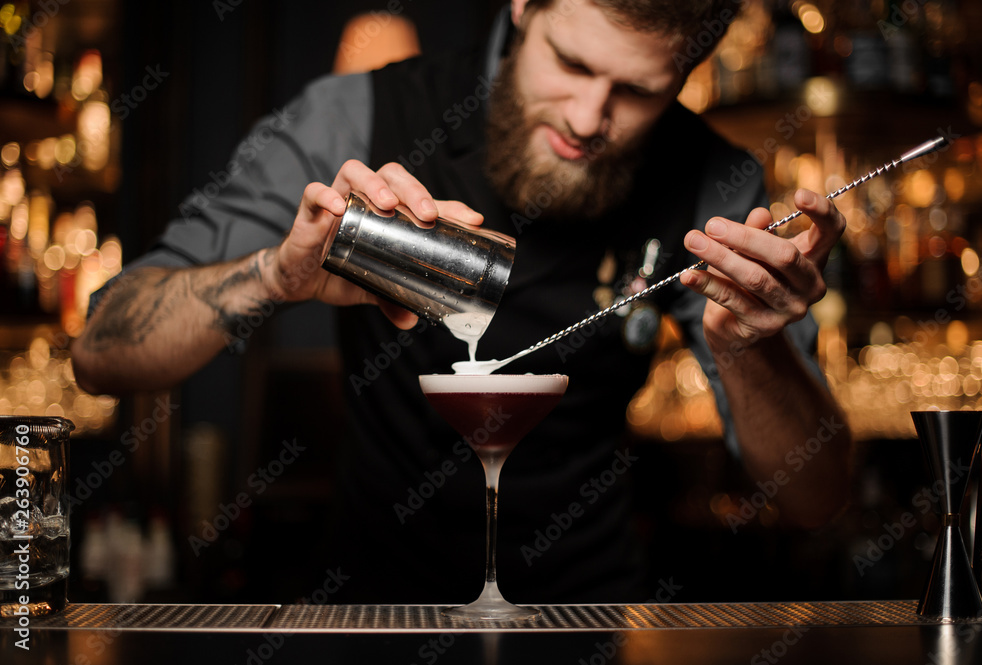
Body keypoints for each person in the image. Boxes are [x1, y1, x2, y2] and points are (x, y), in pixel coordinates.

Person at [71, 0, 852, 604]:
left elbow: (815, 498)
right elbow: (101, 351)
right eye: (571, 63)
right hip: (371, 600)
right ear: (523, 6)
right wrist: (274, 276)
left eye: (638, 92)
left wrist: (755, 346)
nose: (587, 118)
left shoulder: (715, 182)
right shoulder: (359, 115)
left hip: (584, 609)